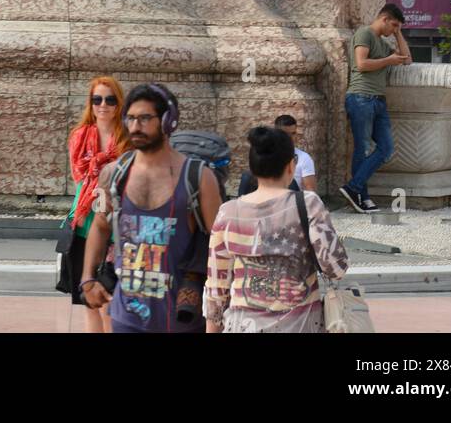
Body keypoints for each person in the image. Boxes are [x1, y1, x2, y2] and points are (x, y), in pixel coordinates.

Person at [80, 83, 222, 333]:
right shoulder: (113, 174)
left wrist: (217, 310)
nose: (135, 127)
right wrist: (87, 278)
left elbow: (221, 244)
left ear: (168, 122)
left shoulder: (199, 178)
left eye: (145, 118)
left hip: (182, 319)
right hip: (126, 318)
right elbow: (100, 226)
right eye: (131, 118)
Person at [205, 124, 348, 333]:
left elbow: (216, 286)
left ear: (252, 169)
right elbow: (336, 268)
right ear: (291, 166)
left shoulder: (228, 212)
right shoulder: (308, 204)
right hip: (300, 325)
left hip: (242, 326)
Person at [61, 76, 127, 334]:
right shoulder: (79, 136)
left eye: (110, 99)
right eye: (97, 99)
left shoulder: (126, 138)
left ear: (118, 103)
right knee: (88, 299)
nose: (103, 105)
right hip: (84, 221)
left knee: (108, 302)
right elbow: (78, 177)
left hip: (113, 223)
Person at [340, 2, 411, 213]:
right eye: (394, 25)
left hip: (378, 100)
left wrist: (398, 36)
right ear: (384, 19)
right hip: (361, 97)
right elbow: (361, 64)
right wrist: (388, 60)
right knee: (362, 148)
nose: (393, 30)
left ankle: (354, 188)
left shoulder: (382, 41)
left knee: (386, 148)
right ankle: (361, 196)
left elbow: (407, 60)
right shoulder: (365, 34)